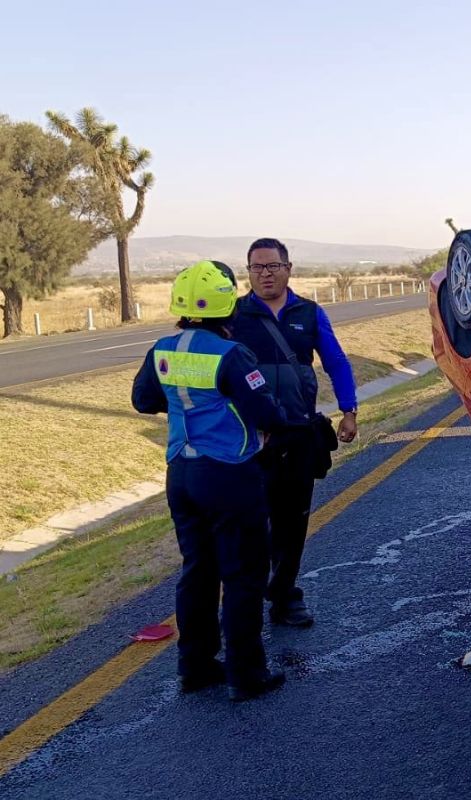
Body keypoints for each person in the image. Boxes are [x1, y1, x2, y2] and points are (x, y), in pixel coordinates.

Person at [132, 260, 292, 701]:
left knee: (198, 571)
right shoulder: (230, 353)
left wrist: (186, 405)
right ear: (228, 307)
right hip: (228, 472)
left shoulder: (162, 349)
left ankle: (196, 666)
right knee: (242, 574)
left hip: (180, 473)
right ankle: (247, 674)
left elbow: (143, 399)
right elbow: (266, 412)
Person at [228, 237, 358, 627]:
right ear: (248, 272)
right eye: (257, 267)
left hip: (299, 434)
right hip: (251, 439)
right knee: (251, 522)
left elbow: (336, 362)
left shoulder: (310, 313)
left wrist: (349, 410)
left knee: (293, 522)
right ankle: (247, 602)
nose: (265, 274)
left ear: (288, 268)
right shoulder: (233, 316)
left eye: (273, 266)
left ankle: (284, 597)